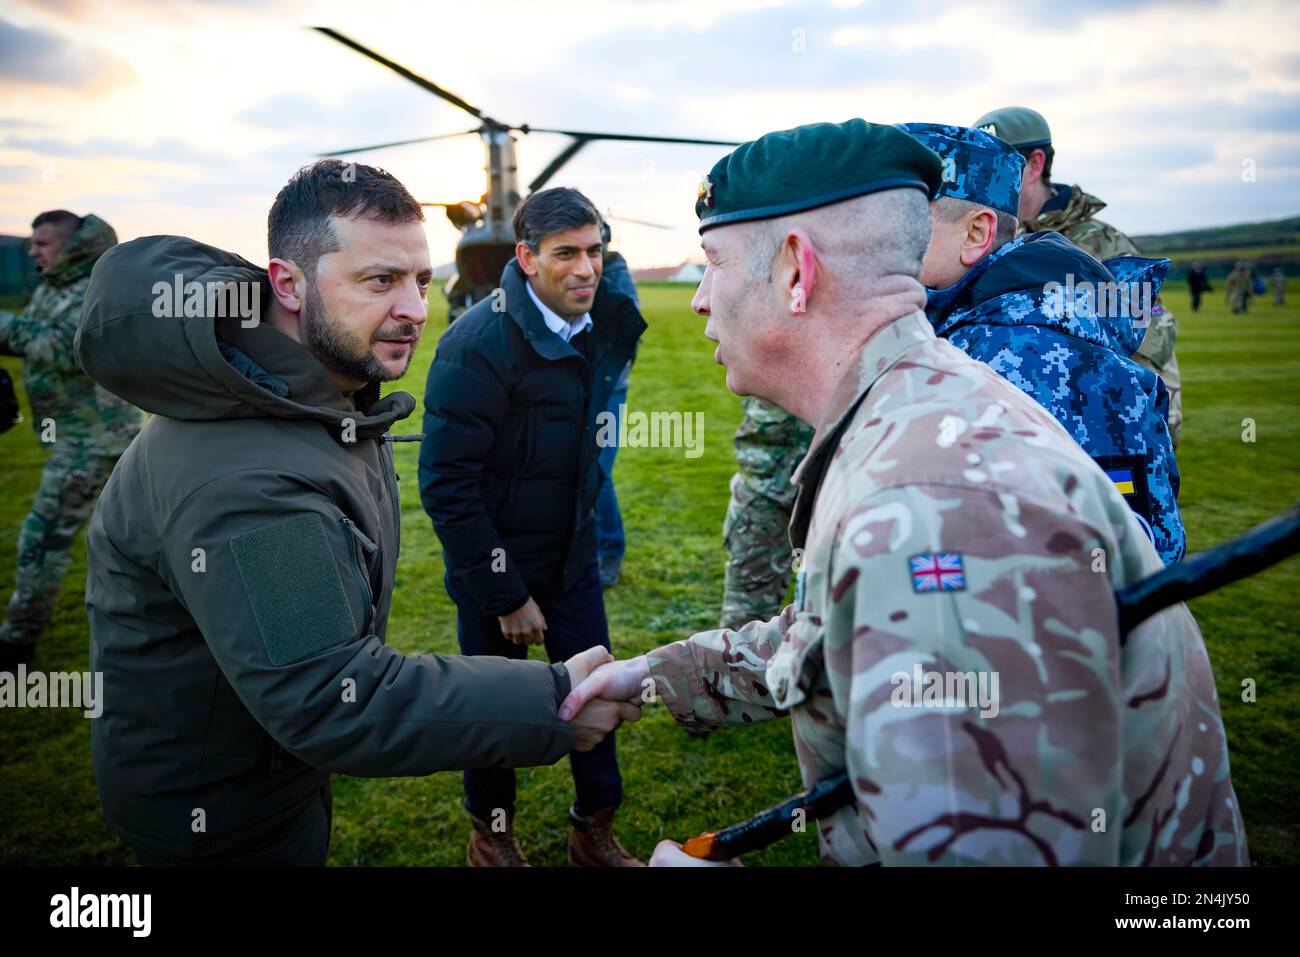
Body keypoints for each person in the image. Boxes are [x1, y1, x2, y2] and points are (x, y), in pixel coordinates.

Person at [561, 119, 1247, 867]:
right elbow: (849, 626)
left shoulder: (929, 504)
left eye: (713, 264)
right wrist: (660, 676)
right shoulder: (920, 407)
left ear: (796, 270)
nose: (699, 300)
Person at [76, 161, 636, 866]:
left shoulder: (317, 394)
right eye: (380, 281)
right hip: (220, 818)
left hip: (268, 778)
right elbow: (332, 694)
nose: (413, 309)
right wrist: (553, 697)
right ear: (287, 283)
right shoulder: (250, 481)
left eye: (421, 281)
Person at [419, 187, 646, 866]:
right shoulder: (475, 344)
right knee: (492, 713)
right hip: (495, 568)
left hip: (572, 561)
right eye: (566, 254)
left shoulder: (602, 317)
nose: (585, 268)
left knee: (596, 696)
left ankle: (592, 829)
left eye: (595, 251)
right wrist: (507, 594)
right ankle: (491, 837)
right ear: (526, 257)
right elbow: (447, 486)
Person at [900, 122, 1185, 565]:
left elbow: (1119, 559)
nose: (879, 239)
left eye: (907, 219)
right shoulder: (964, 327)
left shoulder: (1027, 358)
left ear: (977, 233)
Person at [974, 106, 1183, 447]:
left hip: (1096, 434)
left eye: (995, 163)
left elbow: (1149, 342)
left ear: (1035, 164)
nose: (982, 176)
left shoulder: (1102, 246)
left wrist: (1153, 432)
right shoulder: (989, 240)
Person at [0, 211, 140, 671]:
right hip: (81, 437)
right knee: (137, 541)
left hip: (97, 440)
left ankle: (16, 645)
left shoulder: (93, 290)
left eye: (42, 243)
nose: (33, 251)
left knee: (42, 540)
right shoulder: (52, 287)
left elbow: (63, 346)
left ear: (71, 245)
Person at [594, 220, 644, 588]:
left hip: (607, 388)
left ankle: (610, 551)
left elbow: (630, 330)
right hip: (573, 386)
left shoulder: (614, 273)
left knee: (596, 469)